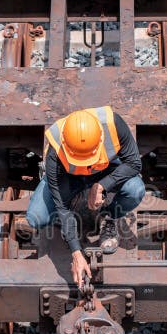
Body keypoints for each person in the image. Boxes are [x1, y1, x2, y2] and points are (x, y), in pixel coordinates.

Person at [27, 106, 144, 288]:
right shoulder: (55, 151)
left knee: (135, 190)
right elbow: (62, 208)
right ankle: (69, 225)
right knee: (37, 217)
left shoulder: (114, 124)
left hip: (104, 171)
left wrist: (103, 185)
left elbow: (134, 163)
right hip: (68, 178)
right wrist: (76, 253)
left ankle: (109, 217)